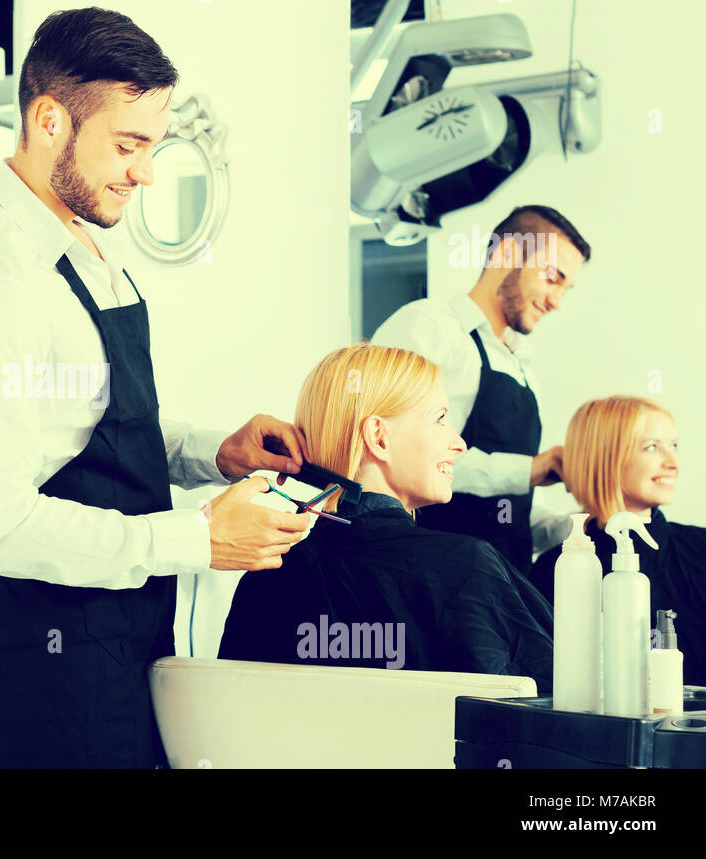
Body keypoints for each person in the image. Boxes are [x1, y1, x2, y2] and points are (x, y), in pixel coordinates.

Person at [0, 7, 312, 769]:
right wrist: (196, 537)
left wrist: (210, 454)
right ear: (50, 119)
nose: (145, 172)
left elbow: (89, 431)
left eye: (152, 147)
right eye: (128, 146)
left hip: (116, 641)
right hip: (37, 658)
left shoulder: (85, 248)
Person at [219, 344, 554, 691]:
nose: (459, 443)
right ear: (379, 437)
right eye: (440, 418)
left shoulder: (267, 577)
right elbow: (558, 705)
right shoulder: (467, 566)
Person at [371, 205, 591, 574]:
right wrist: (532, 469)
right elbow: (401, 456)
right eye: (552, 278)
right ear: (505, 253)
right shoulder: (429, 328)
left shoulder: (522, 367)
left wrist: (580, 528)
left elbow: (502, 511)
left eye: (566, 289)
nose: (557, 302)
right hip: (433, 575)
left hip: (504, 582)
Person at [531, 397, 704, 686]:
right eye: (651, 447)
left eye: (673, 446)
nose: (673, 463)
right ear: (604, 457)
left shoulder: (700, 550)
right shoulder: (554, 572)